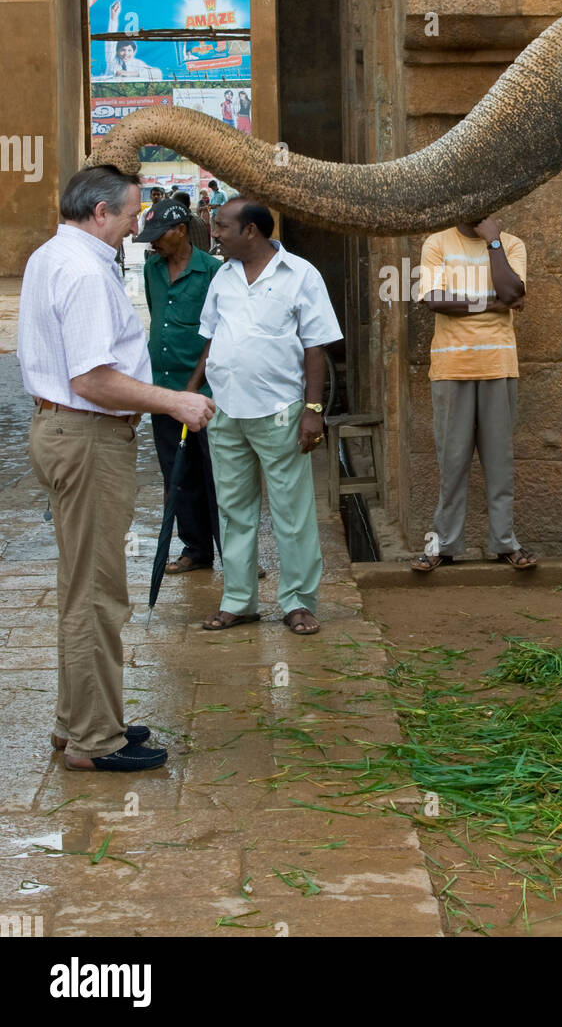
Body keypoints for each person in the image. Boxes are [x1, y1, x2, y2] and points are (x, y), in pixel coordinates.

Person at [18, 166, 214, 772]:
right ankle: (93, 741)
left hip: (65, 430)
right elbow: (94, 379)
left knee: (83, 585)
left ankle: (79, 719)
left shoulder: (54, 255)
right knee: (98, 594)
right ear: (100, 213)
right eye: (132, 214)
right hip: (88, 436)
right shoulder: (81, 270)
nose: (138, 227)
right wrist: (175, 400)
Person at [187, 198, 342, 634]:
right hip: (227, 411)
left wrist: (313, 409)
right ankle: (239, 601)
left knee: (292, 512)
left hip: (280, 412)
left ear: (250, 231)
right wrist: (193, 389)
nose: (214, 233)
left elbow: (316, 345)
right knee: (234, 511)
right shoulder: (223, 276)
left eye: (221, 226)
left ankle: (298, 602)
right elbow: (212, 337)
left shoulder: (300, 275)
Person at [412, 215, 535, 573]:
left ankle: (505, 542)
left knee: (500, 465)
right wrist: (491, 303)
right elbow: (435, 300)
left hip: (498, 366)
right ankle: (444, 544)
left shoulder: (510, 244)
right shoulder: (437, 243)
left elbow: (513, 293)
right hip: (452, 369)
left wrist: (493, 242)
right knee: (451, 464)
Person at [136, 197, 222, 575]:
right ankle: (196, 549)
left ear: (182, 231)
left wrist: (193, 384)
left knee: (219, 476)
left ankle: (235, 555)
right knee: (178, 473)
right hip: (164, 390)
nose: (153, 244)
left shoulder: (214, 272)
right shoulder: (151, 269)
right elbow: (159, 320)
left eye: (159, 236)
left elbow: (219, 334)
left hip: (205, 393)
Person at [102, 1, 163, 81]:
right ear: (116, 51)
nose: (126, 54)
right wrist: (114, 17)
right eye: (122, 50)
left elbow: (158, 73)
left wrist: (129, 73)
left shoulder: (137, 63)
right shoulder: (112, 60)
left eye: (129, 50)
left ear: (134, 52)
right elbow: (110, 41)